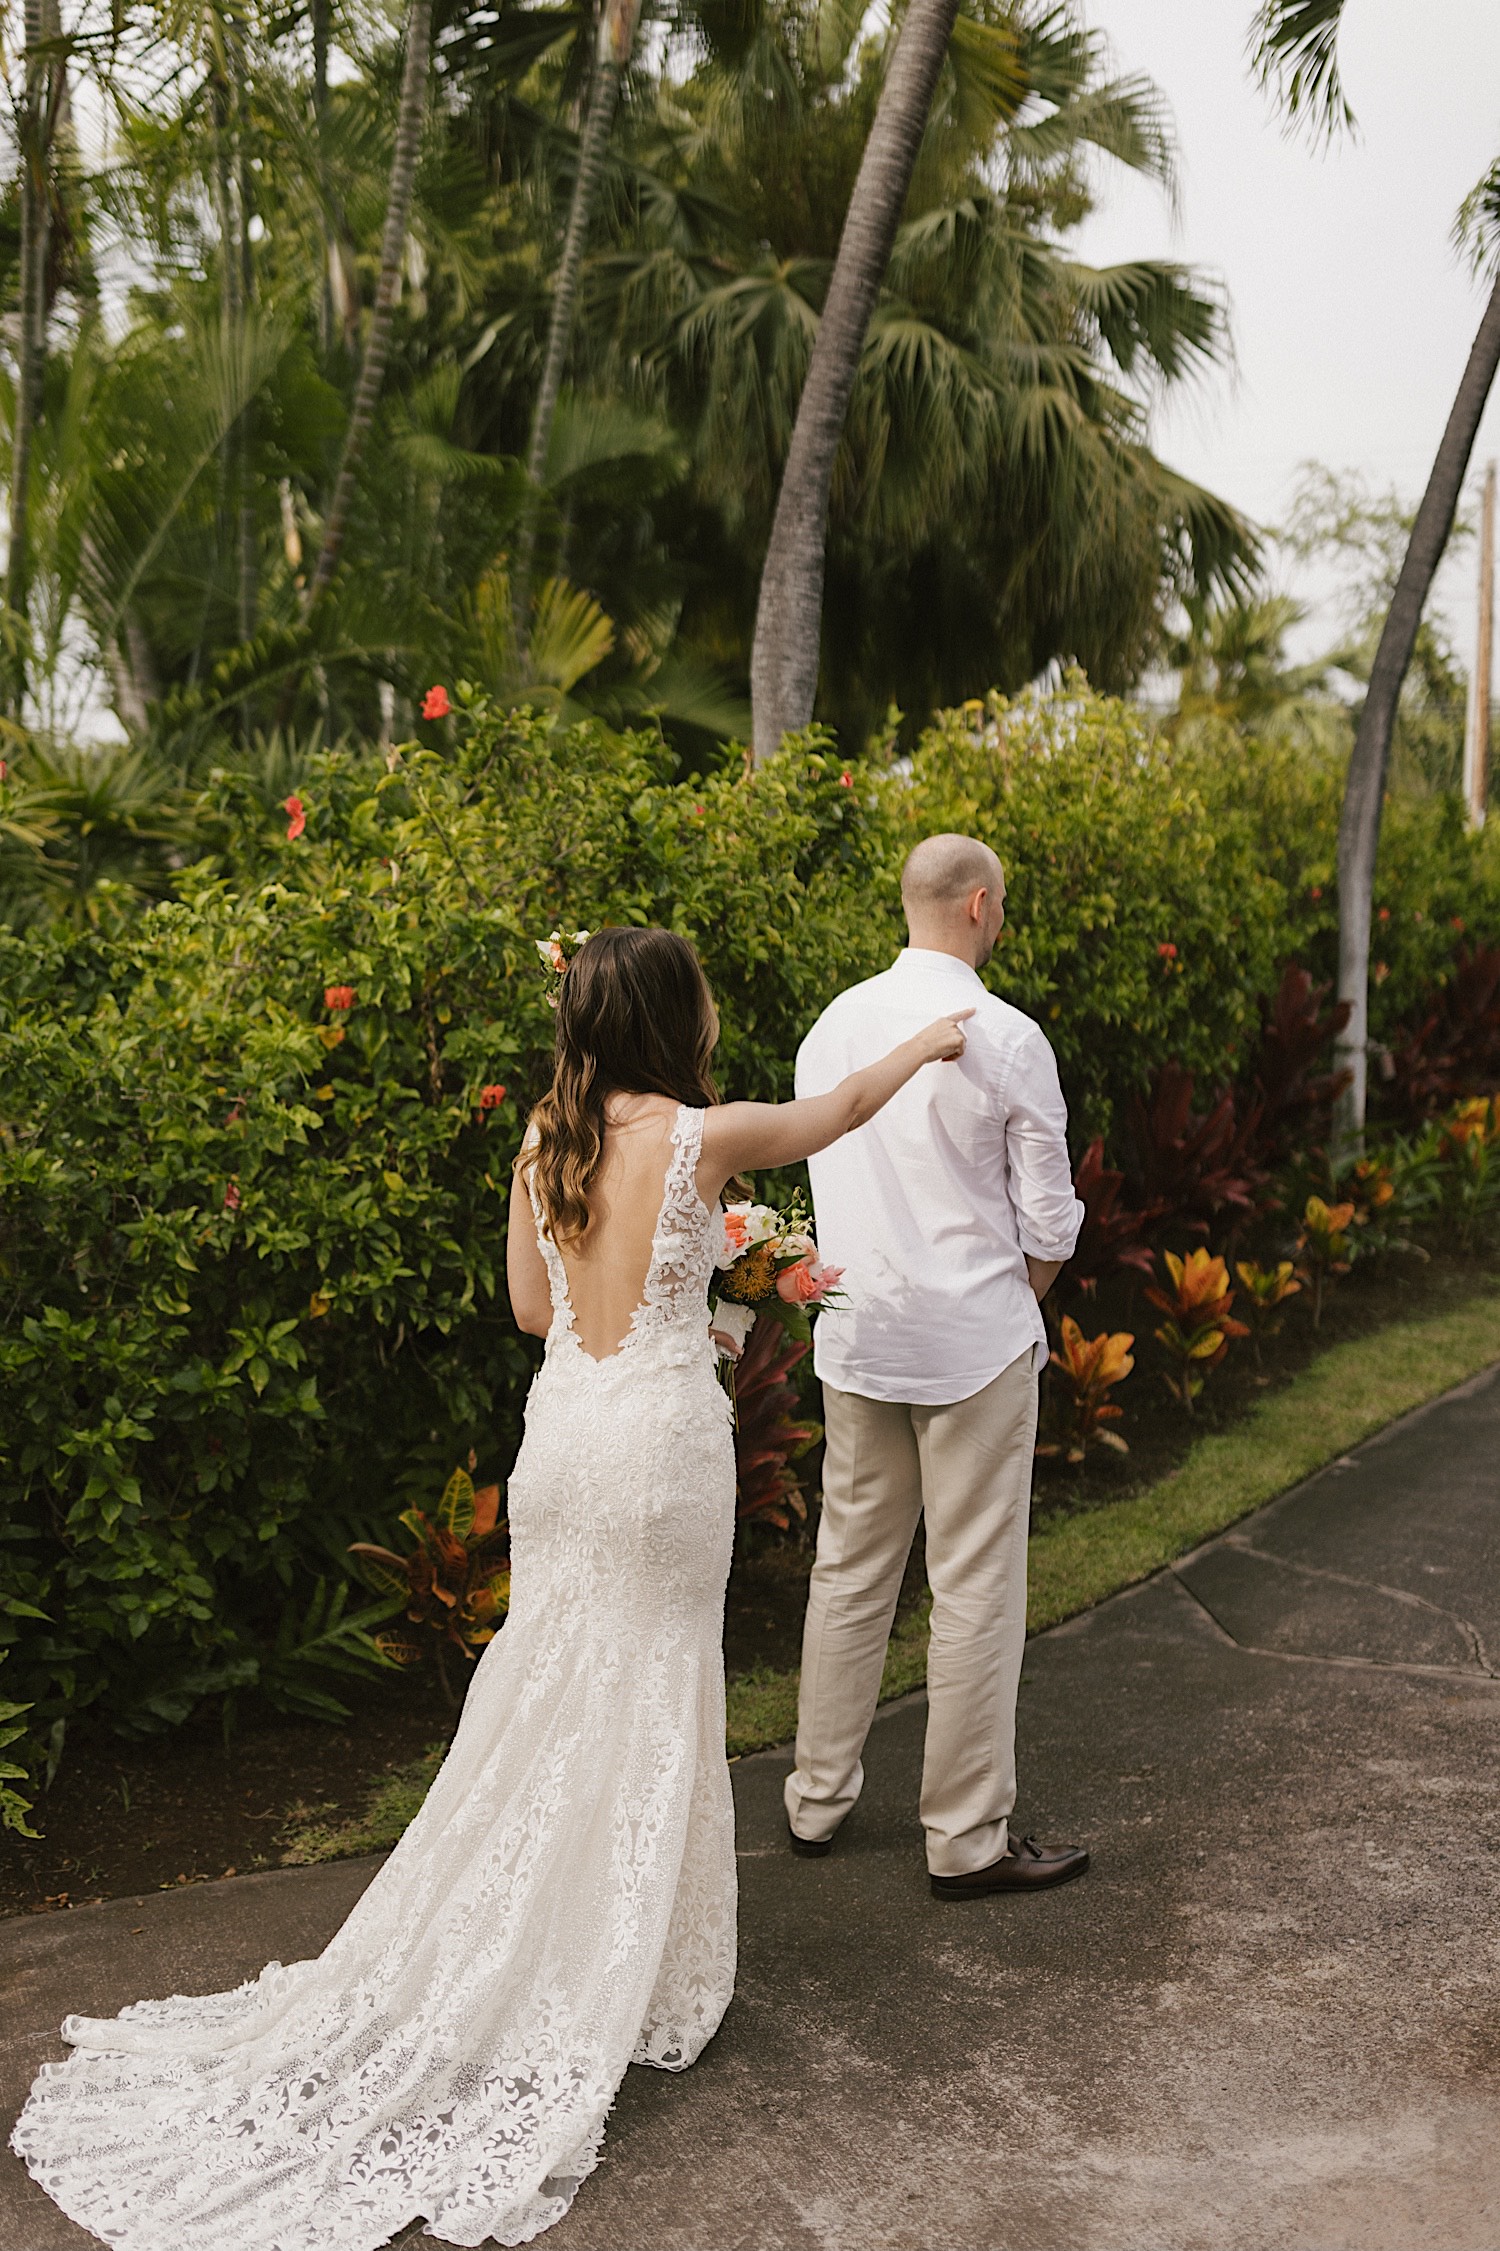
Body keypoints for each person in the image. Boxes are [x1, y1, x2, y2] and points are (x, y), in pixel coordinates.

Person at [11, 924, 972, 2251]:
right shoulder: (701, 1136)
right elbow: (839, 1108)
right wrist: (924, 1041)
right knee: (644, 1691)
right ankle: (604, 1970)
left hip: (566, 1438)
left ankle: (523, 1941)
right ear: (666, 1020)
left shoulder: (546, 1136)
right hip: (656, 1449)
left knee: (549, 1684)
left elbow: (531, 1308)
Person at [785, 833, 1088, 1898]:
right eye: (1000, 902)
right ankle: (964, 1840)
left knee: (850, 1571)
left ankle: (815, 1803)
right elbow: (1050, 1217)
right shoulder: (1008, 1037)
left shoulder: (830, 1027)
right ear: (976, 904)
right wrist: (1016, 1301)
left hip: (860, 1336)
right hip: (972, 1345)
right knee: (973, 1590)